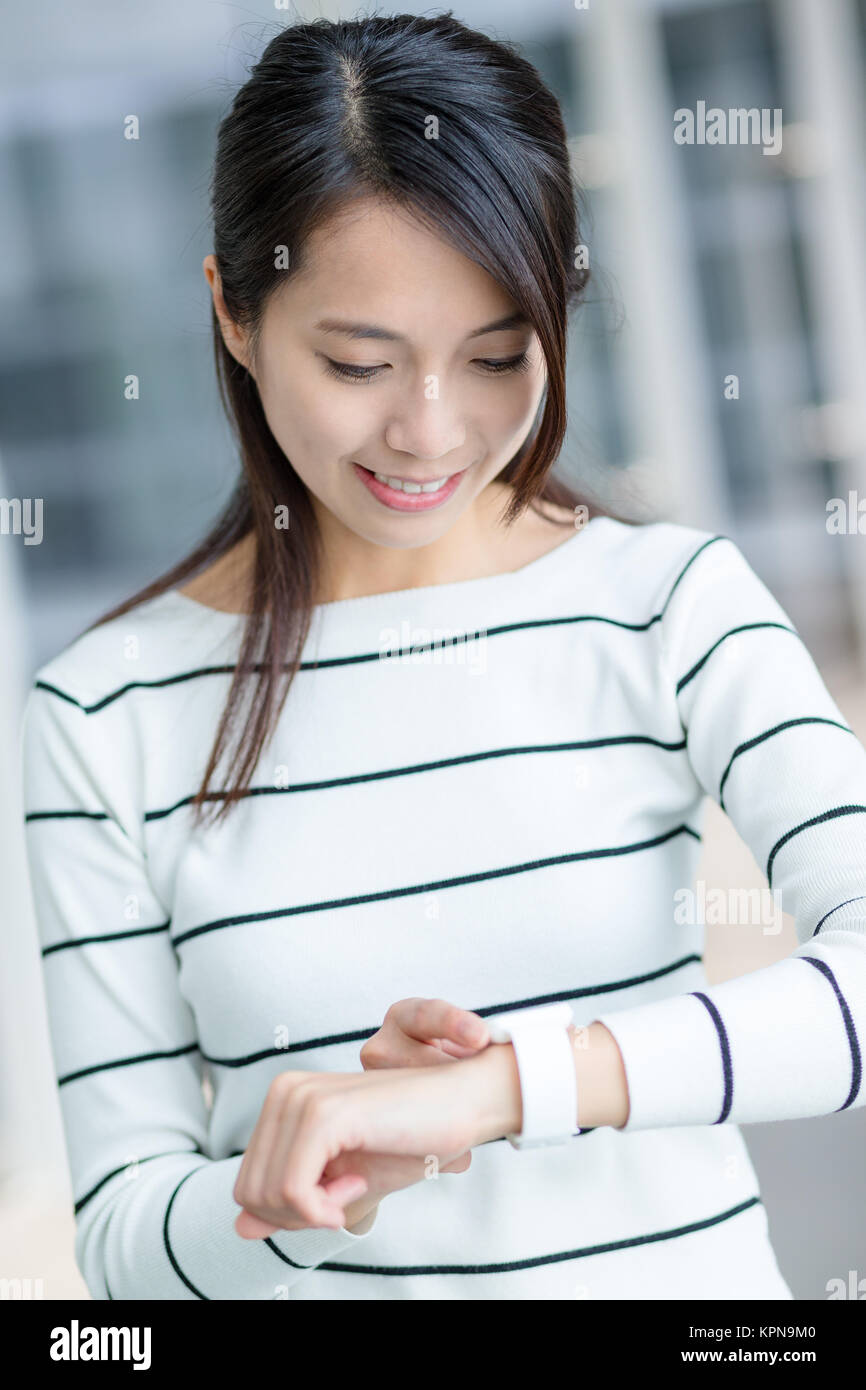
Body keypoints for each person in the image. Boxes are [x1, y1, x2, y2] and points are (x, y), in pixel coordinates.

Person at [21, 14, 865, 1301]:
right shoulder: (104, 712)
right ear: (232, 314)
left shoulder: (667, 604)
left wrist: (501, 1092)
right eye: (358, 361)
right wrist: (306, 1196)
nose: (428, 431)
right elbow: (124, 1240)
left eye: (495, 355)